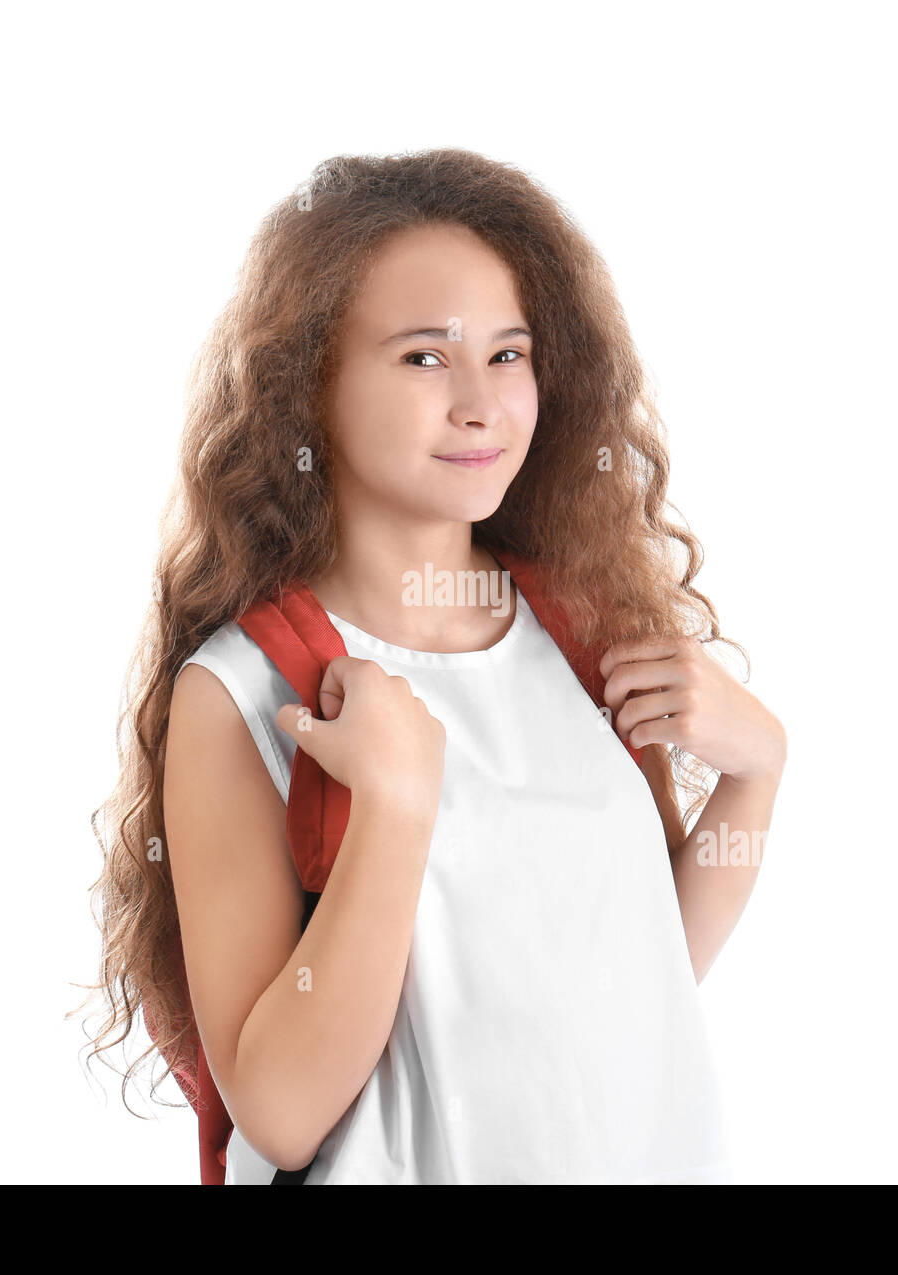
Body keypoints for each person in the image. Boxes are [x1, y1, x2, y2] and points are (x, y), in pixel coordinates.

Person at [87, 148, 787, 1185]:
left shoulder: (583, 636)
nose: (481, 403)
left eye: (509, 355)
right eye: (424, 357)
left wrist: (755, 773)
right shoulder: (242, 693)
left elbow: (642, 974)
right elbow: (279, 1113)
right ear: (309, 385)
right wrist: (396, 807)